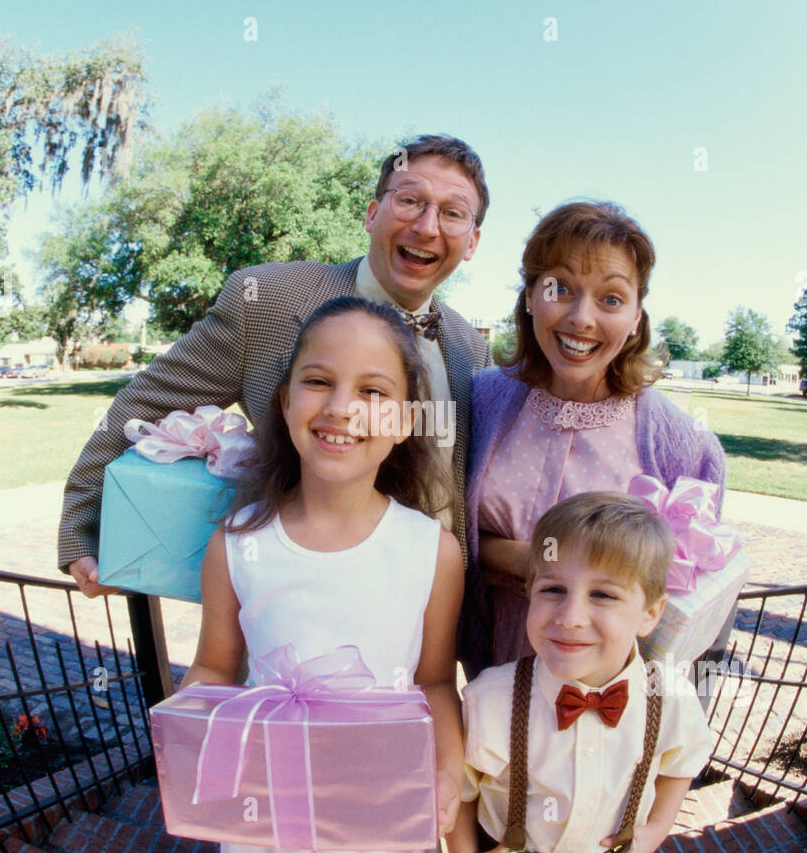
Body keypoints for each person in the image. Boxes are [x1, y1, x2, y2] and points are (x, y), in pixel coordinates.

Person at [178, 296, 464, 853]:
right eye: (318, 381)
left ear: (401, 422)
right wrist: (185, 730)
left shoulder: (432, 550)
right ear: (283, 403)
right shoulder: (238, 543)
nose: (342, 407)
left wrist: (449, 767)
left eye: (373, 391)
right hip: (278, 774)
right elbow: (216, 664)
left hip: (378, 778)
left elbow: (433, 678)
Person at [60, 134, 491, 593]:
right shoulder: (267, 299)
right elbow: (144, 403)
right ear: (371, 214)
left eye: (452, 213)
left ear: (471, 242)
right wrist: (82, 527)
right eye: (410, 200)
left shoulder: (471, 349)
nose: (427, 227)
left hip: (429, 608)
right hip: (285, 608)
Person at [430, 492, 712, 853]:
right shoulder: (493, 696)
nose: (571, 616)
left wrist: (653, 831)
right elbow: (463, 785)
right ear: (529, 593)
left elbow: (680, 765)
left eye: (603, 595)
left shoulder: (670, 697)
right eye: (553, 589)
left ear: (651, 613)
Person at [460, 200, 727, 680]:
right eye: (559, 288)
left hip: (612, 710)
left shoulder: (683, 446)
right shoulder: (478, 401)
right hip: (489, 687)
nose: (582, 318)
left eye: (611, 299)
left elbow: (691, 602)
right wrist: (521, 557)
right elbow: (442, 531)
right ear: (528, 296)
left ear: (636, 317)